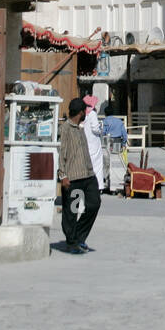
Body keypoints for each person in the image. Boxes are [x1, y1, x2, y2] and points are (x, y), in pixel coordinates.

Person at [58, 97, 100, 254]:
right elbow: (61, 153)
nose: (85, 115)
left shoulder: (80, 128)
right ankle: (72, 242)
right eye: (85, 112)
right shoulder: (65, 129)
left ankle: (79, 236)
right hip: (73, 178)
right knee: (71, 212)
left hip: (88, 175)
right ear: (81, 112)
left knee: (94, 204)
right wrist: (63, 176)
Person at [82, 95, 106, 190]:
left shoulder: (82, 114)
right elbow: (95, 128)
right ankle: (98, 186)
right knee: (97, 166)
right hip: (93, 143)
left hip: (84, 143)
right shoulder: (92, 114)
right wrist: (101, 130)